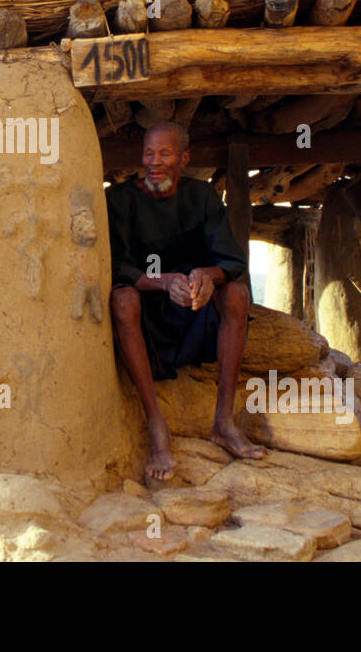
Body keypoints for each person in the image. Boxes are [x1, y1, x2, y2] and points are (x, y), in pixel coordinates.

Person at [106, 122, 268, 482]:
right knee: (121, 300)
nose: (154, 162)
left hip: (193, 310)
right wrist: (163, 282)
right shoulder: (120, 200)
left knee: (237, 294)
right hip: (148, 309)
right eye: (149, 153)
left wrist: (205, 277)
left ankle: (224, 422)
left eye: (164, 153)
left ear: (184, 158)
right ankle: (155, 424)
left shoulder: (203, 197)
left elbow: (231, 259)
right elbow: (116, 265)